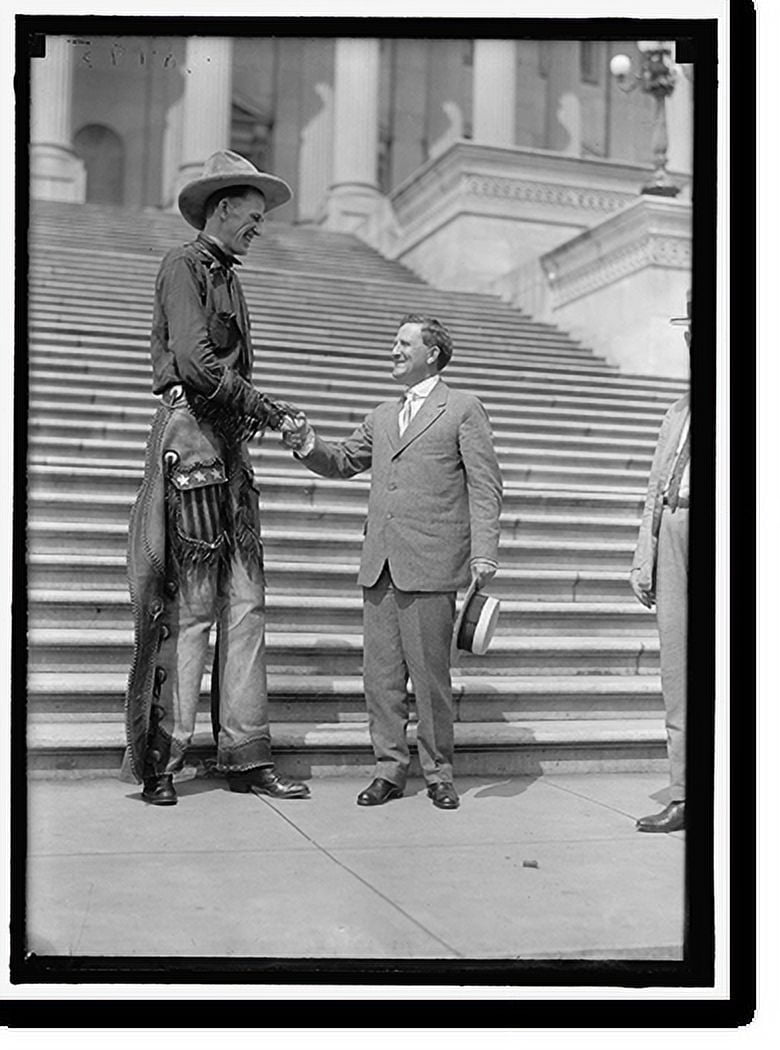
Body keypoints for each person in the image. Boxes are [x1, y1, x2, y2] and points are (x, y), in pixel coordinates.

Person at [124, 150, 310, 806]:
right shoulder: (183, 266)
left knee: (246, 606)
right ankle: (162, 761)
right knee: (193, 608)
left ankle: (247, 755)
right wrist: (270, 411)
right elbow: (198, 366)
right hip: (194, 447)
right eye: (253, 215)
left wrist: (255, 414)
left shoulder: (230, 276)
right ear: (223, 208)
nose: (260, 226)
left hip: (228, 451)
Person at [282, 315, 503, 809]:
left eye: (404, 343)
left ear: (432, 354)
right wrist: (307, 442)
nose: (394, 350)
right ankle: (389, 770)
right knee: (380, 679)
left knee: (430, 680)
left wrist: (484, 550)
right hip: (380, 563)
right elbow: (342, 460)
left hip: (432, 562)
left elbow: (485, 485)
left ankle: (439, 773)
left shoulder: (462, 408)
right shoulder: (383, 415)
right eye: (394, 343)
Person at [630, 293, 691, 833]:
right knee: (678, 669)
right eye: (691, 332)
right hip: (674, 527)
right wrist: (643, 556)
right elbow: (655, 488)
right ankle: (685, 794)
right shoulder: (677, 411)